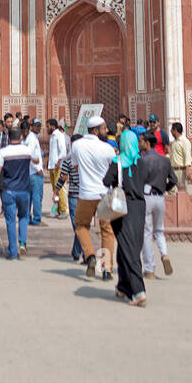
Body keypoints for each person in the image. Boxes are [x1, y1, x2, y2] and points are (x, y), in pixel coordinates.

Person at [102, 128, 149, 306]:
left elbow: (106, 181)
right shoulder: (142, 162)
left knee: (128, 248)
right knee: (128, 245)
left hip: (122, 206)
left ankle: (138, 291)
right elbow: (147, 180)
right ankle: (123, 286)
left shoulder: (118, 162)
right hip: (139, 206)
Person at [68, 116, 117, 280]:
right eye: (103, 128)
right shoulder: (108, 149)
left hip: (86, 194)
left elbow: (74, 166)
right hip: (104, 194)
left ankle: (89, 256)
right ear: (95, 130)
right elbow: (114, 170)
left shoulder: (77, 145)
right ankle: (107, 270)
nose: (106, 131)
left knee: (81, 226)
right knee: (107, 231)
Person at [0, 123, 41, 259]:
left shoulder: (4, 152)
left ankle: (13, 251)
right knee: (24, 217)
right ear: (20, 137)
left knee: (11, 220)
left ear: (9, 137)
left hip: (9, 190)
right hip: (24, 189)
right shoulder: (26, 150)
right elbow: (36, 160)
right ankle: (23, 242)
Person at [139, 129, 177, 279]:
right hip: (160, 197)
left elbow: (139, 180)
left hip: (147, 197)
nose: (139, 143)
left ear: (148, 143)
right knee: (159, 230)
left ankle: (149, 269)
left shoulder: (143, 161)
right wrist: (163, 189)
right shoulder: (165, 160)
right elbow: (174, 180)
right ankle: (165, 254)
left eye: (141, 141)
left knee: (146, 233)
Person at [54, 142, 83, 262]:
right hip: (86, 195)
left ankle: (80, 251)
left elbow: (63, 177)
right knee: (82, 226)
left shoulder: (69, 160)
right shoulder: (86, 159)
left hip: (74, 195)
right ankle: (80, 252)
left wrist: (56, 190)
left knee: (78, 226)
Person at [46, 119, 68, 219]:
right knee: (54, 189)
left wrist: (59, 162)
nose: (46, 129)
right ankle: (57, 209)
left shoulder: (59, 135)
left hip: (57, 166)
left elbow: (63, 150)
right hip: (52, 166)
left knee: (59, 188)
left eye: (48, 126)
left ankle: (63, 210)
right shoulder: (52, 136)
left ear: (53, 127)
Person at [25, 120, 45, 225]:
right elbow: (30, 154)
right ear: (31, 126)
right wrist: (38, 168)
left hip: (31, 172)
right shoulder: (32, 139)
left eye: (40, 126)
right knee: (37, 197)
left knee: (31, 197)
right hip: (35, 173)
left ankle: (28, 217)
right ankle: (36, 218)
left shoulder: (32, 138)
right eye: (37, 126)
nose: (39, 128)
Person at [169, 121, 192, 188]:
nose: (170, 132)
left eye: (171, 130)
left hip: (181, 171)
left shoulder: (185, 142)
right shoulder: (174, 142)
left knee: (182, 191)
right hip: (173, 170)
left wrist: (187, 171)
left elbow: (187, 157)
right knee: (172, 191)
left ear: (175, 130)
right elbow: (172, 156)